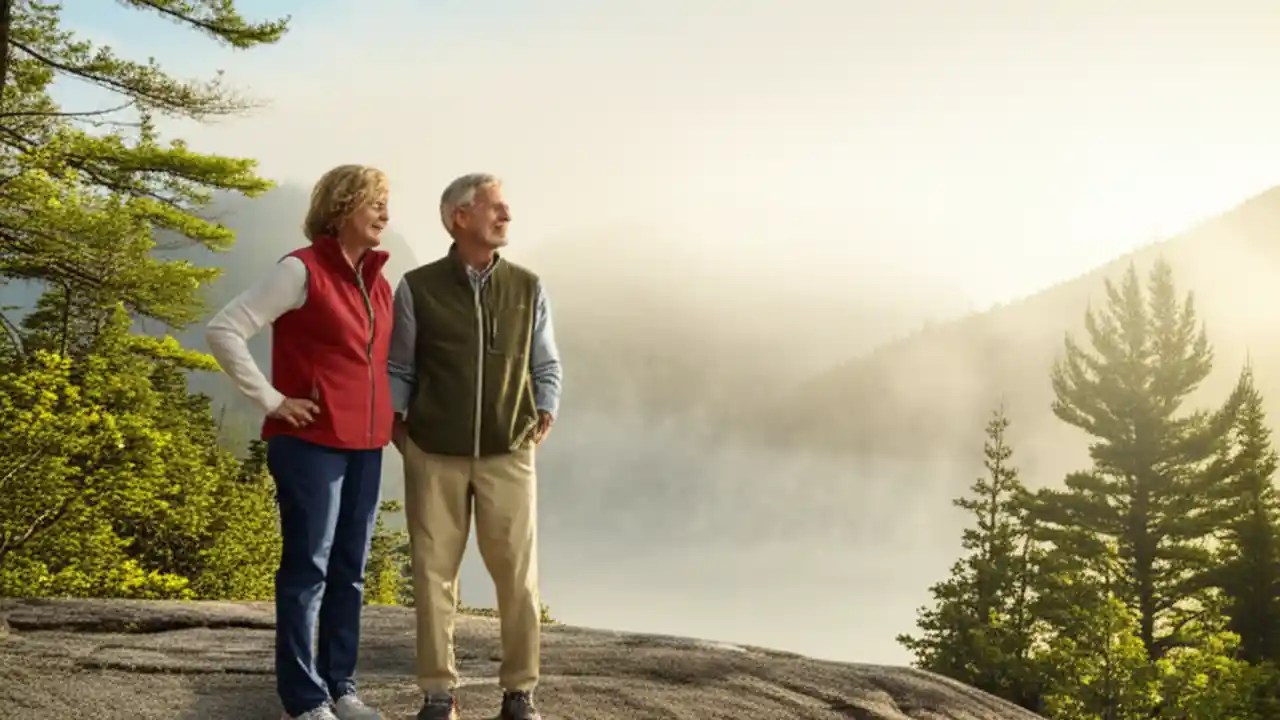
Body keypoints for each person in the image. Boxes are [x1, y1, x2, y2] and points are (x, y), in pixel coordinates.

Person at [204, 164, 395, 720]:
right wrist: (272, 399)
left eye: (387, 203)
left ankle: (341, 687)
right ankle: (305, 698)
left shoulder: (378, 282)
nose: (385, 212)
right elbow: (225, 329)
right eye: (374, 202)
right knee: (308, 568)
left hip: (365, 444)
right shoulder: (300, 269)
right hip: (308, 442)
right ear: (341, 209)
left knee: (350, 569)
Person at [388, 173, 562, 720]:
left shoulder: (528, 286)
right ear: (459, 217)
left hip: (508, 452)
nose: (506, 216)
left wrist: (547, 405)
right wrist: (399, 426)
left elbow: (546, 360)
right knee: (434, 574)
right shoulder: (417, 287)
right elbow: (400, 366)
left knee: (517, 575)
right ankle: (439, 695)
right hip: (433, 451)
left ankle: (519, 693)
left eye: (506, 208)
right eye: (495, 208)